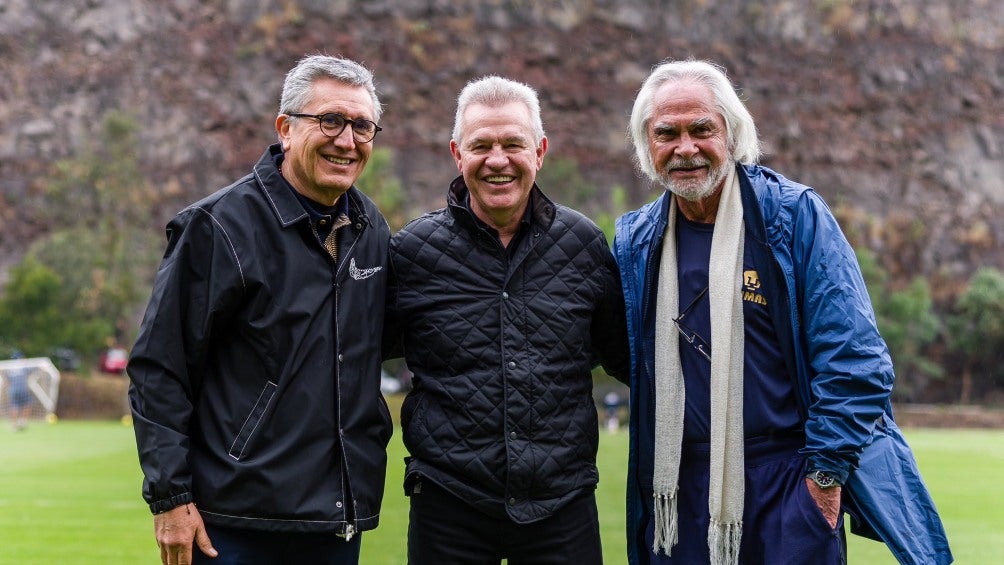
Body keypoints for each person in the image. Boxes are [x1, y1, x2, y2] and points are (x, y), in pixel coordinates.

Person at [613, 59, 953, 565]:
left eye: (702, 129)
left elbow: (856, 360)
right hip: (676, 490)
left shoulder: (793, 217)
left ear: (732, 133)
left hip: (789, 482)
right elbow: (622, 355)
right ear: (647, 146)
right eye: (668, 134)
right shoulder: (635, 241)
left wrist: (823, 479)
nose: (686, 148)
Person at [127, 55, 393, 565]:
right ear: (285, 129)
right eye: (330, 121)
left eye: (362, 126)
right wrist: (170, 499)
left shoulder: (371, 229)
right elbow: (159, 368)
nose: (347, 140)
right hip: (232, 526)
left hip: (335, 523)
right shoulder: (217, 227)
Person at [383, 75, 630, 564]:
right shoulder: (412, 252)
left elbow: (627, 357)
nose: (498, 160)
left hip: (562, 504)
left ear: (539, 151)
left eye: (513, 143)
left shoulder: (583, 245)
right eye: (481, 145)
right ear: (458, 154)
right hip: (447, 505)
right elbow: (354, 354)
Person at [6, 350, 32, 431]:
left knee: (14, 406)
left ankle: (13, 425)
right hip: (22, 388)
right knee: (28, 403)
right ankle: (22, 422)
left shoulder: (9, 368)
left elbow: (8, 380)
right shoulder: (23, 365)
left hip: (12, 389)